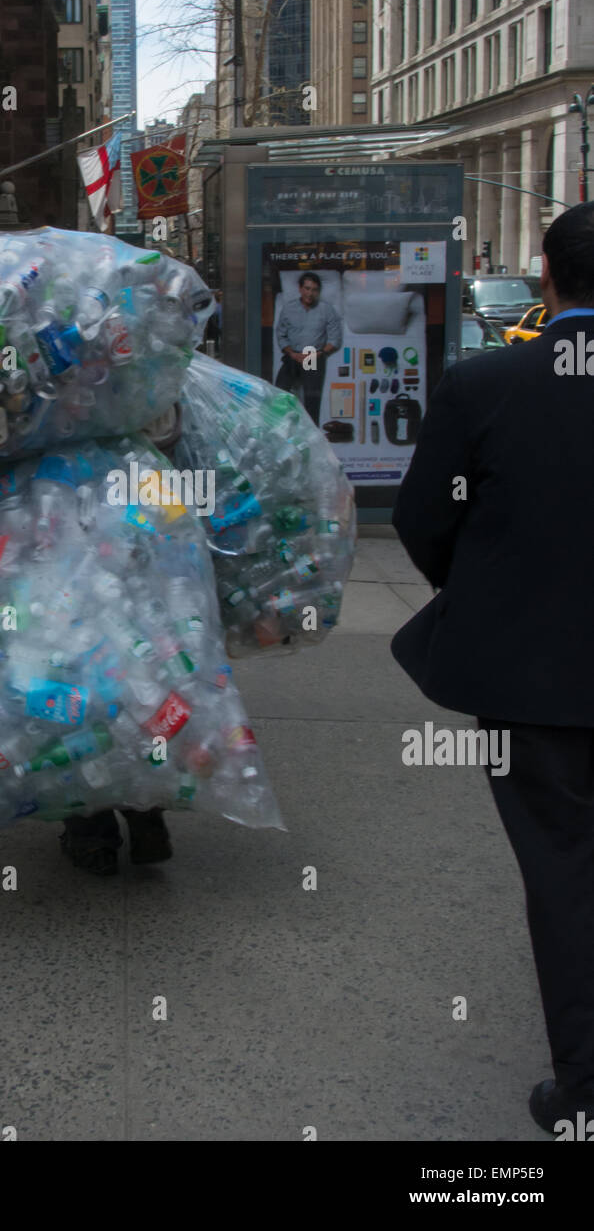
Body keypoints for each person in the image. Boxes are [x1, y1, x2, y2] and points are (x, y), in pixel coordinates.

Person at [390, 201, 594, 1135]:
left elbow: (423, 519)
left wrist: (482, 593)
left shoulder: (485, 383)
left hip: (532, 677)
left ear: (547, 278)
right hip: (533, 671)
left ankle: (583, 1087)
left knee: (564, 868)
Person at [58, 403, 183, 876]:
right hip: (136, 522)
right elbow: (170, 431)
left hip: (61, 531)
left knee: (71, 678)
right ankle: (146, 814)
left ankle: (92, 833)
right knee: (138, 679)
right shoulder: (148, 375)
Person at [275, 271, 341, 424]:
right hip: (293, 355)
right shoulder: (289, 308)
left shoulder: (326, 309)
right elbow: (281, 334)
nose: (310, 293)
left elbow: (335, 338)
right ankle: (282, 426)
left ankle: (312, 432)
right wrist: (291, 353)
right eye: (307, 288)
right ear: (300, 289)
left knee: (312, 398)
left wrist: (320, 353)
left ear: (318, 292)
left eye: (314, 290)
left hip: (313, 356)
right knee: (280, 391)